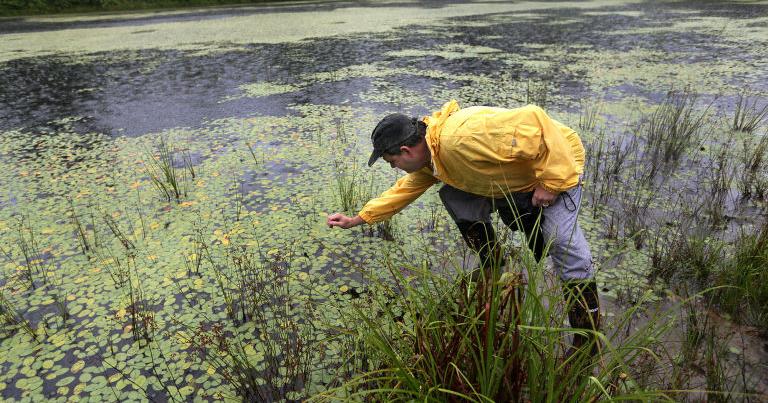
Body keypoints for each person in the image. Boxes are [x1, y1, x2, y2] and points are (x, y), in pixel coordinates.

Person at [326, 100, 600, 358]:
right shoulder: (432, 158)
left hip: (561, 162)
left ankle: (587, 341)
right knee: (455, 195)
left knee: (563, 241)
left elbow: (537, 122)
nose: (395, 168)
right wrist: (357, 219)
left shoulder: (460, 139)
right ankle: (493, 265)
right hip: (518, 177)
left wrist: (551, 184)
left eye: (392, 162)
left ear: (406, 151)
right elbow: (404, 191)